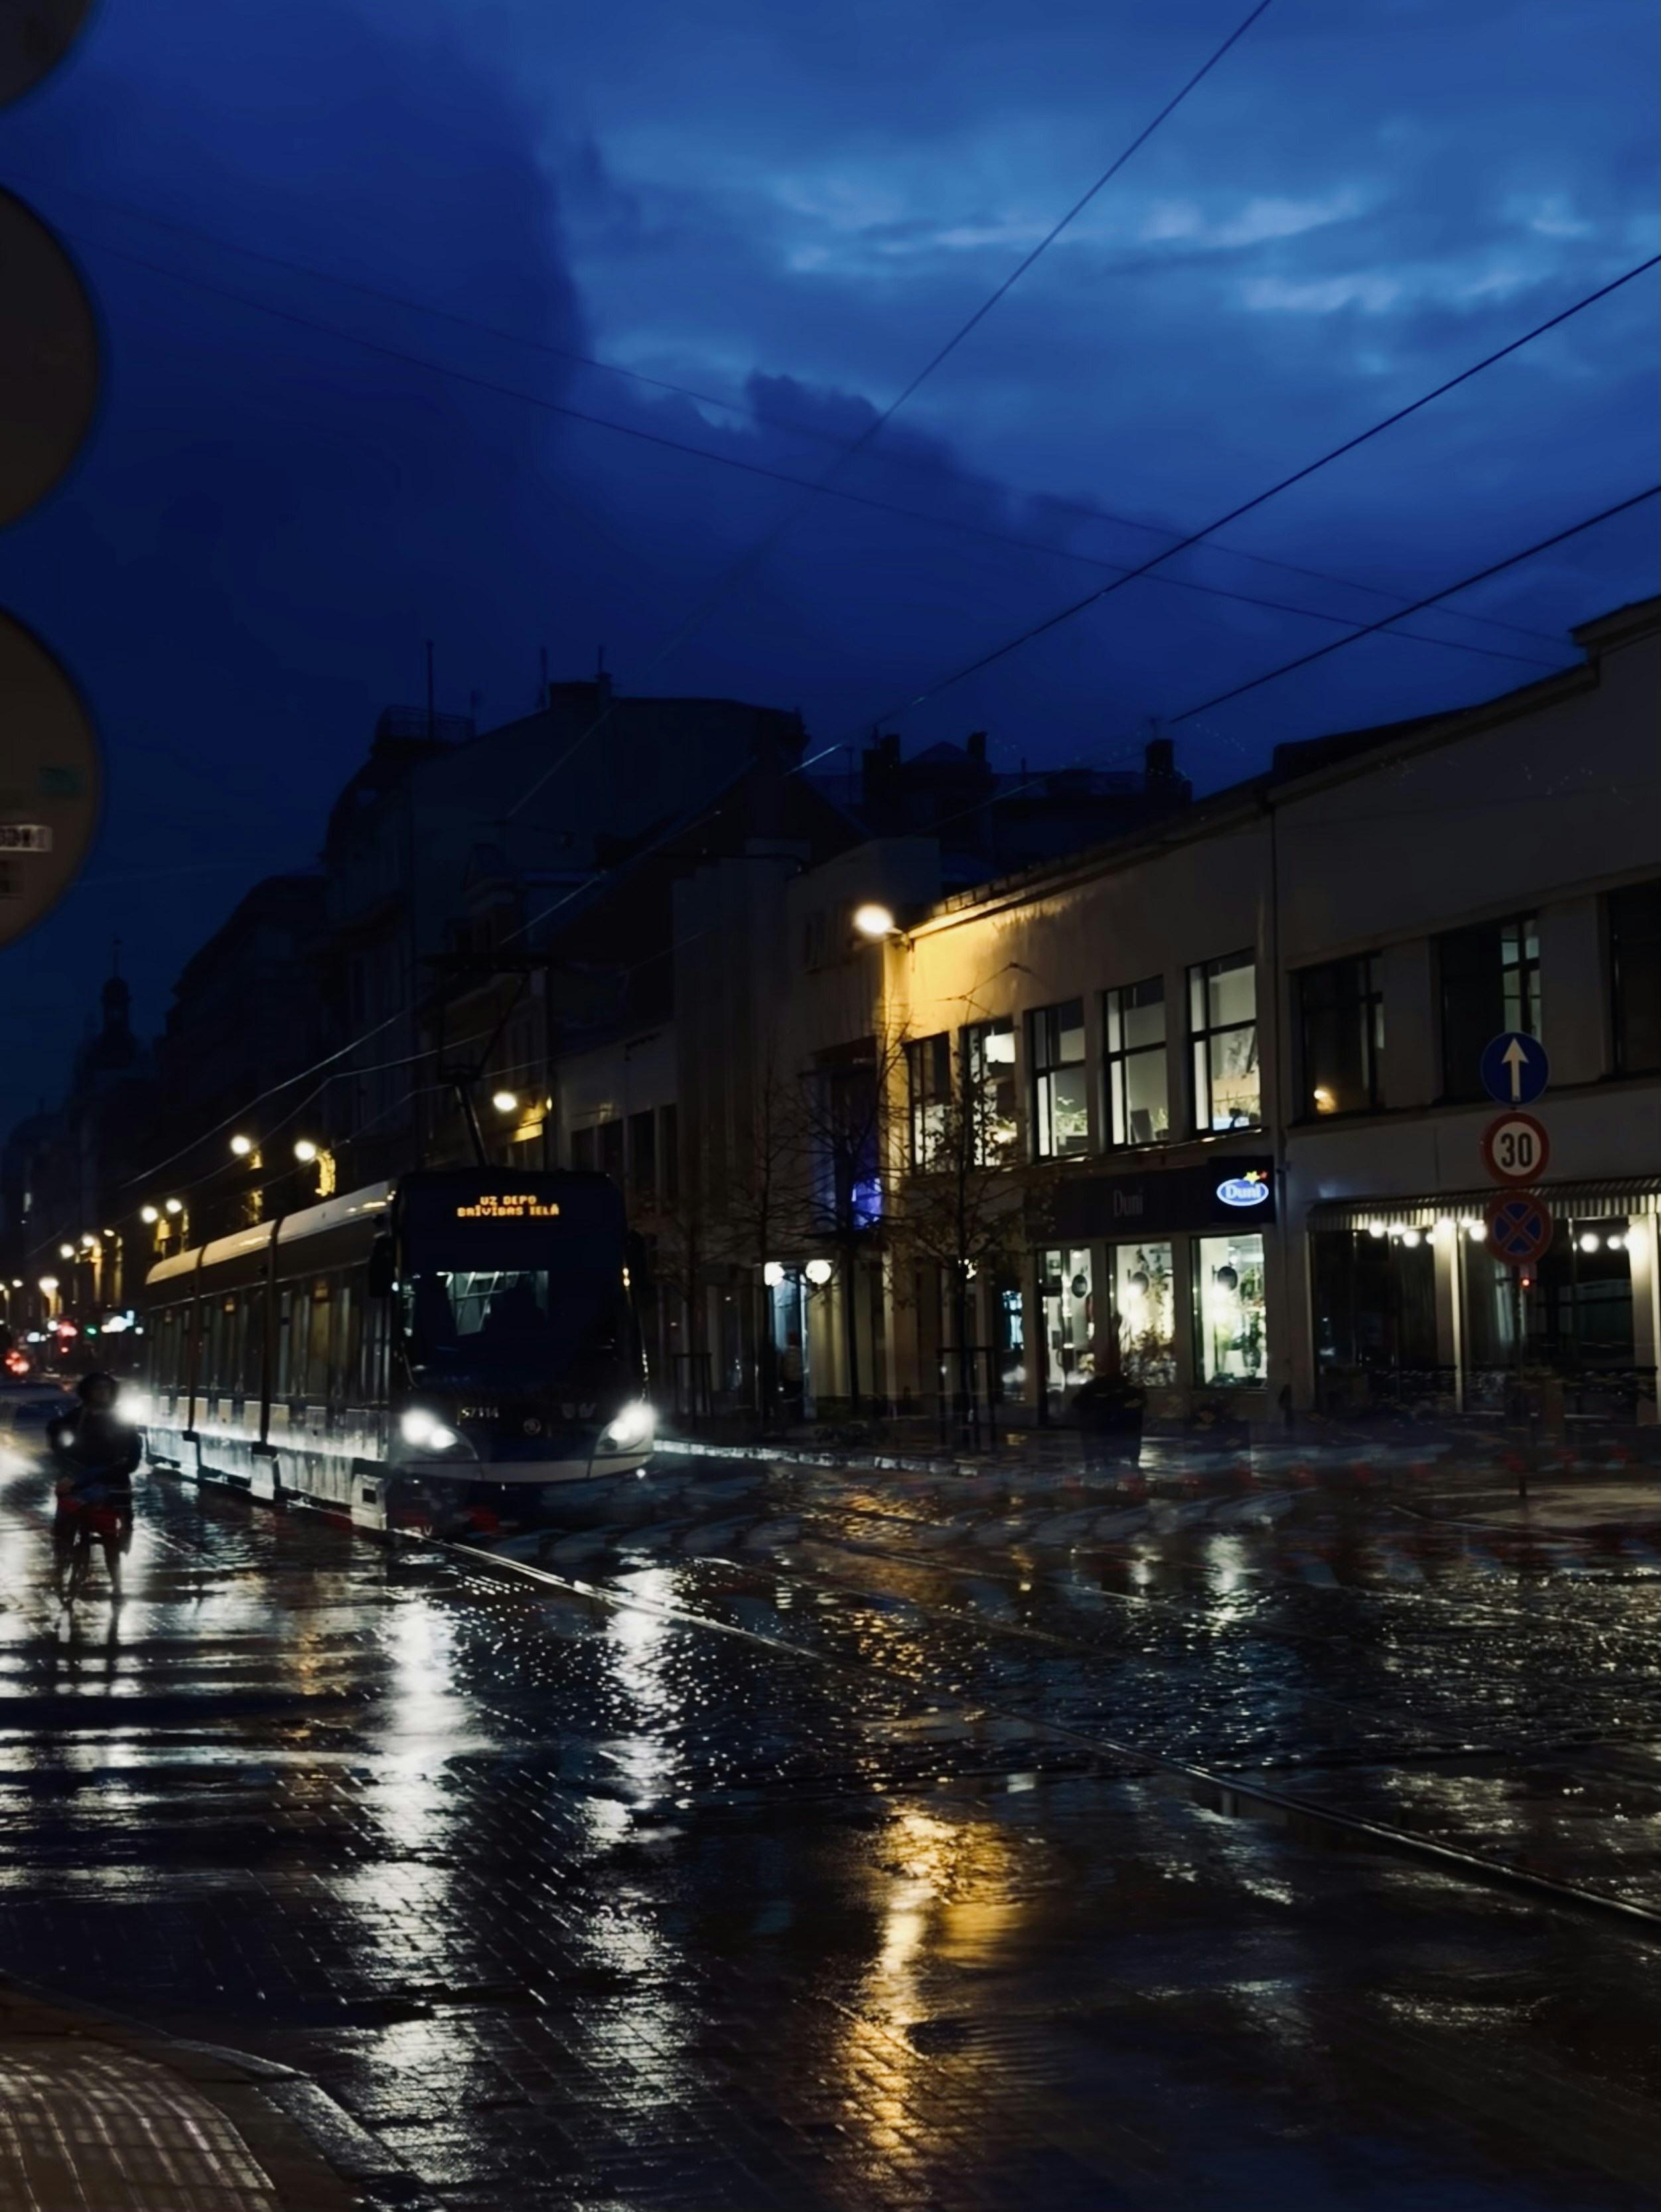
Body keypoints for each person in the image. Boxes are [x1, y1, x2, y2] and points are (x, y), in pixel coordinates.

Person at [48, 1371, 141, 1576]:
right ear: (88, 1393)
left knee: (115, 1530)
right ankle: (60, 1554)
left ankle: (117, 1577)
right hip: (78, 1478)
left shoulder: (120, 1419)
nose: (102, 1394)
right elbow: (58, 1439)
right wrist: (66, 1468)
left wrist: (122, 1467)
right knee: (63, 1515)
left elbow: (133, 1451)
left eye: (106, 1389)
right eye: (97, 1389)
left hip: (111, 1479)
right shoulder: (76, 1417)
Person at [1072, 1335, 1146, 1470]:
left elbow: (1079, 1402)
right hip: (1113, 1427)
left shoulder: (1098, 1386)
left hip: (1105, 1427)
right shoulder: (1123, 1386)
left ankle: (1102, 1460)